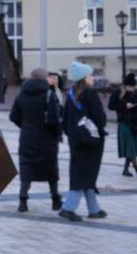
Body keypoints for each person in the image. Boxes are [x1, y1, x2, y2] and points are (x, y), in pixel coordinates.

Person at [9, 66, 63, 211]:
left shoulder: (21, 94)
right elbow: (53, 120)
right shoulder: (49, 94)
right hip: (47, 140)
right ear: (44, 78)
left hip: (27, 138)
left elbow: (13, 116)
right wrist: (57, 133)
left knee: (26, 168)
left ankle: (23, 200)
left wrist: (26, 126)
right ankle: (55, 199)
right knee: (51, 169)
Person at [59, 61, 107, 221]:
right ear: (84, 78)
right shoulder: (90, 94)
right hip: (90, 142)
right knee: (83, 175)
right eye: (90, 75)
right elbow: (100, 118)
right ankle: (68, 208)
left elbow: (64, 121)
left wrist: (73, 135)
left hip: (76, 140)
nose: (93, 78)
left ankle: (94, 209)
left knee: (85, 174)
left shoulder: (71, 94)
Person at [109, 72, 137, 177]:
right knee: (131, 148)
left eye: (133, 86)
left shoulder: (135, 92)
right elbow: (111, 106)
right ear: (125, 85)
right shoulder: (117, 92)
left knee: (132, 148)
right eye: (129, 86)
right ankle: (134, 167)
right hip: (124, 123)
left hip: (134, 123)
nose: (131, 89)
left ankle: (125, 169)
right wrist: (125, 105)